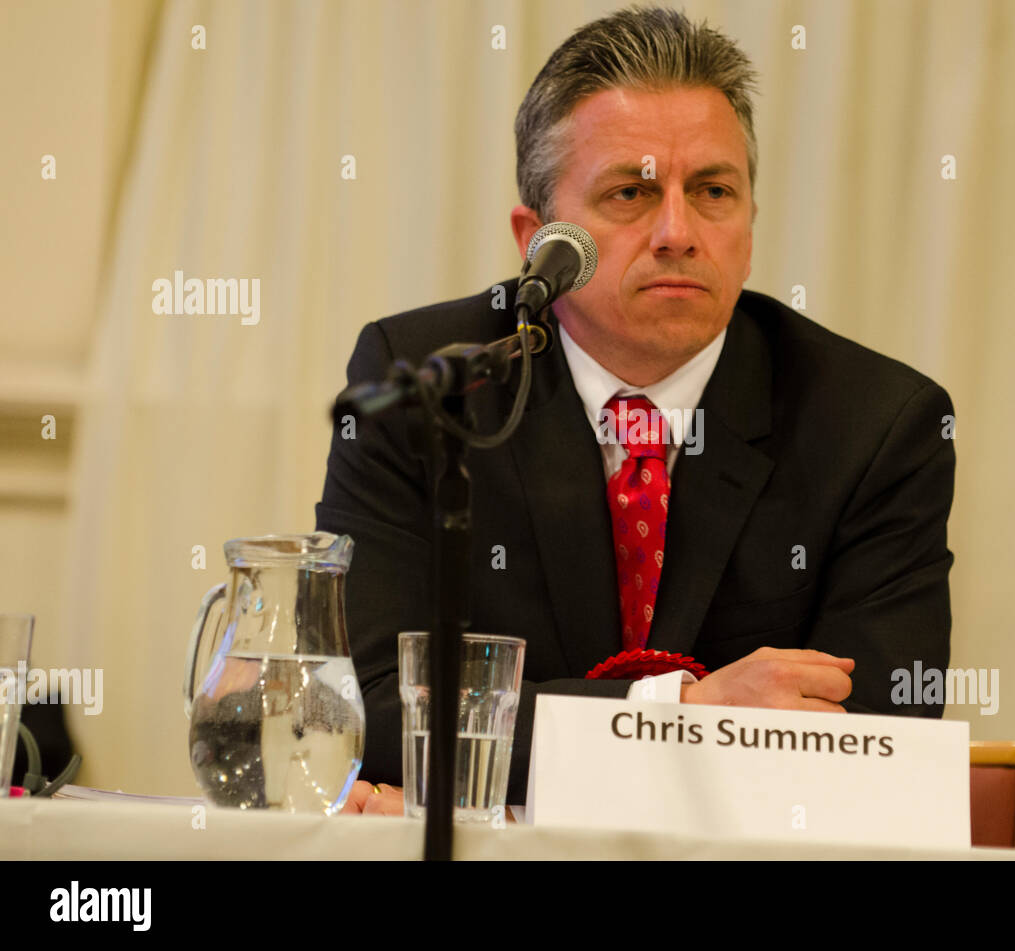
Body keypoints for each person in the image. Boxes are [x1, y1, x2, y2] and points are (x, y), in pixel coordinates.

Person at [320, 6, 956, 816]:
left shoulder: (876, 425)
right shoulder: (428, 387)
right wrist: (679, 719)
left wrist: (544, 766)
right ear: (537, 239)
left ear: (750, 224)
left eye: (714, 191)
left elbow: (878, 738)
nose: (678, 232)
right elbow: (365, 704)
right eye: (633, 190)